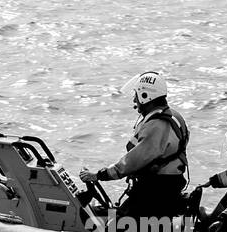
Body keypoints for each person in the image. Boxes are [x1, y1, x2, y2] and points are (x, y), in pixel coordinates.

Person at [79, 71, 190, 222]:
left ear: (145, 96)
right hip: (165, 186)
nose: (134, 100)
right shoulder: (173, 116)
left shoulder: (157, 124)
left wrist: (100, 175)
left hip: (156, 191)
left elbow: (134, 160)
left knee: (118, 226)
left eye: (136, 95)